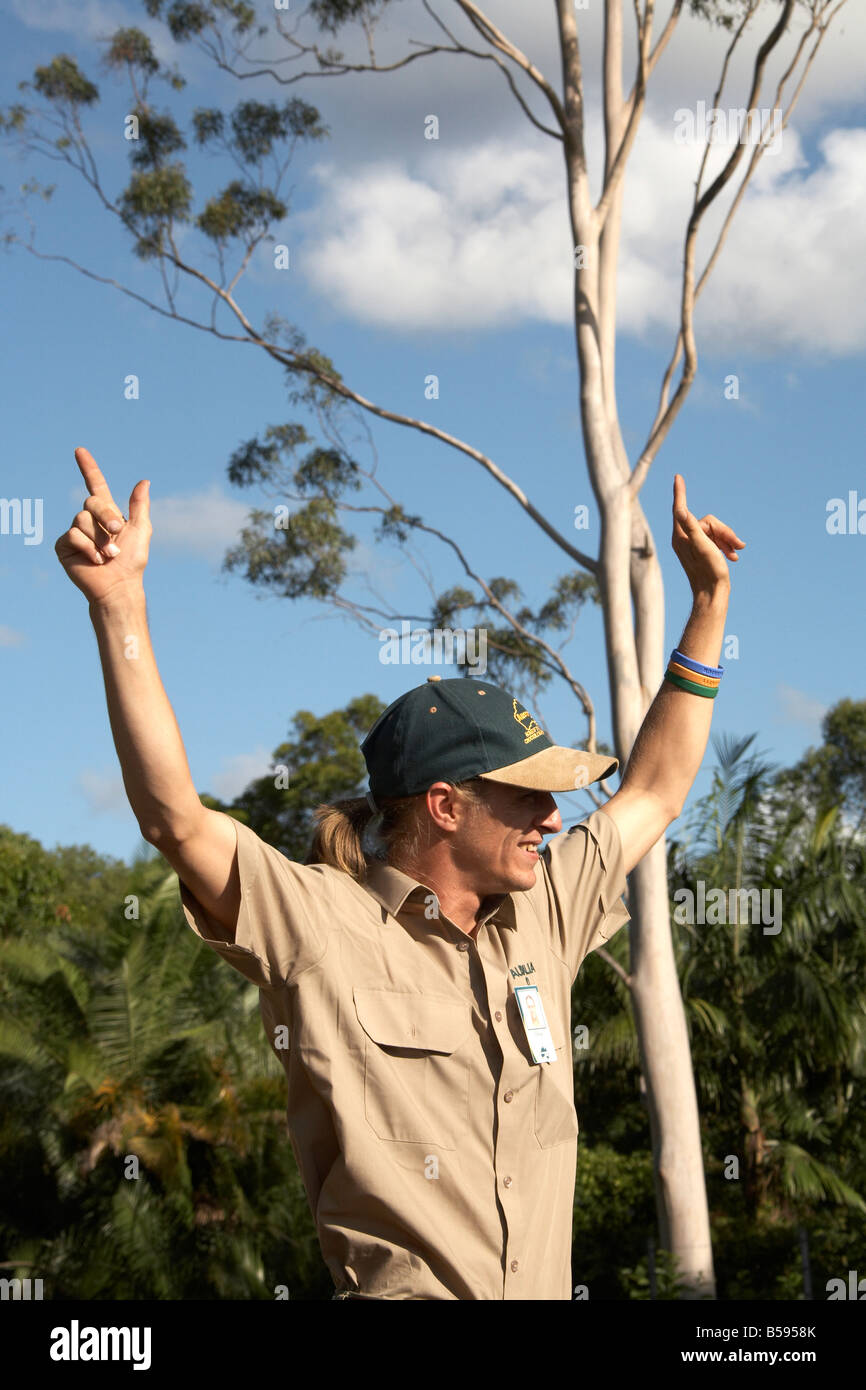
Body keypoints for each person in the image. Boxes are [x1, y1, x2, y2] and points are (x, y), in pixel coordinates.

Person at [55, 446, 745, 1300]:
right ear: (447, 807)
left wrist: (709, 604)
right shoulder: (315, 922)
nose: (553, 820)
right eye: (529, 798)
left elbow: (654, 791)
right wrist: (119, 604)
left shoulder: (545, 913)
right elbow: (174, 820)